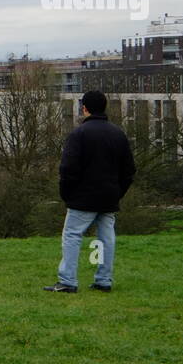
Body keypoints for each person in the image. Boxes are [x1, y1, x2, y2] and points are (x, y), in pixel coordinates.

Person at [44, 90, 135, 293]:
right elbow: (129, 170)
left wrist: (67, 194)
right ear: (104, 107)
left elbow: (68, 169)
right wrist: (118, 192)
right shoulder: (118, 134)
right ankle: (103, 280)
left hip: (82, 197)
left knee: (72, 235)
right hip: (110, 195)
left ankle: (68, 281)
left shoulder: (78, 134)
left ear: (84, 108)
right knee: (105, 238)